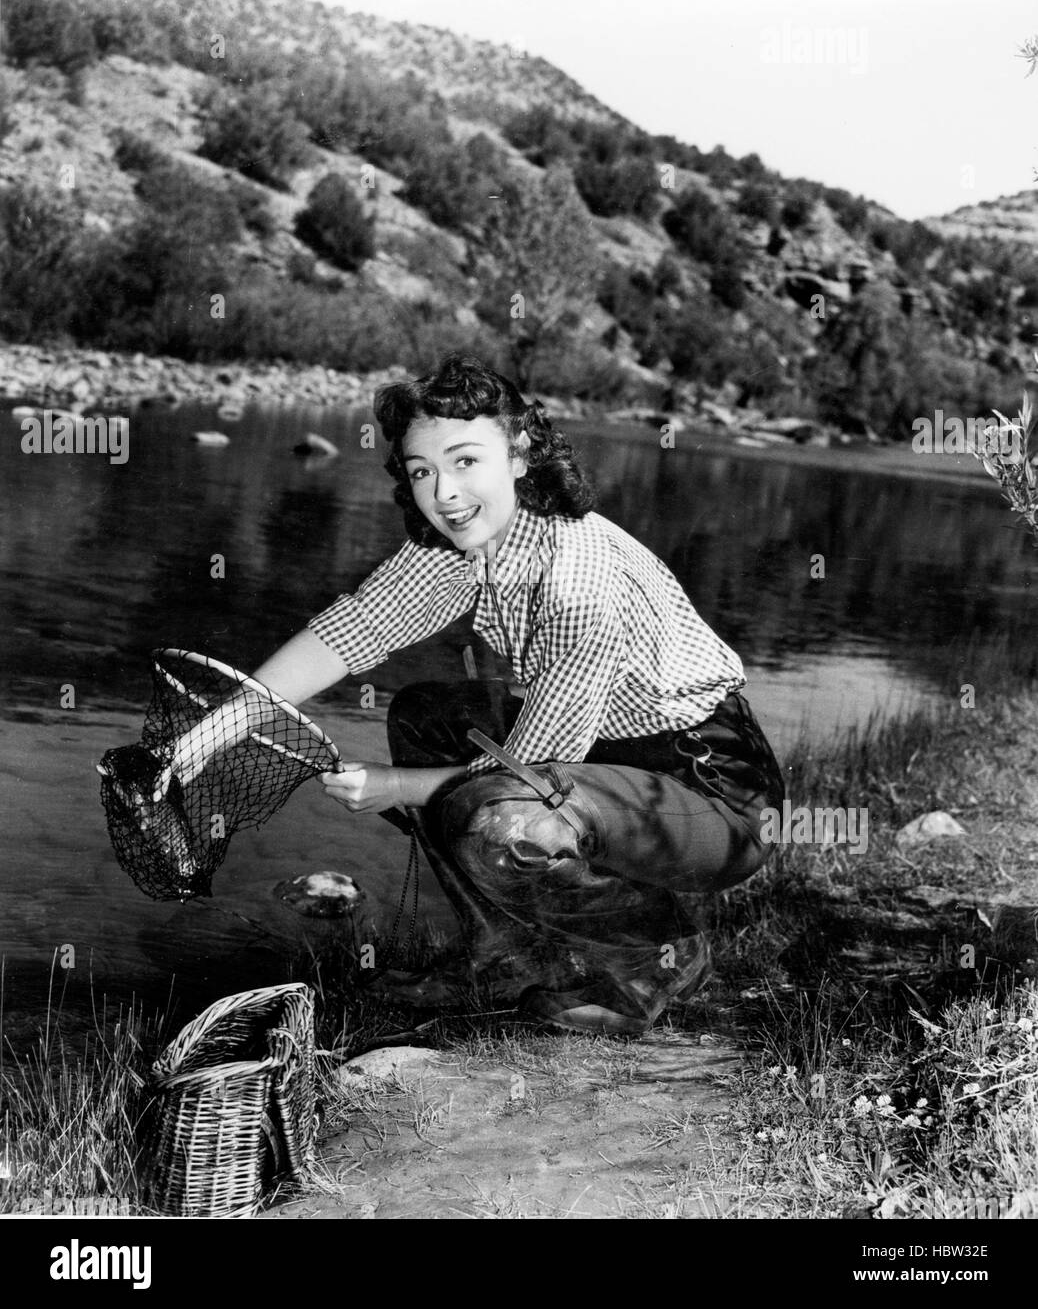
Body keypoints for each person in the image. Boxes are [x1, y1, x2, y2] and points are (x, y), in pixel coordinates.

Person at [157, 354, 785, 1037]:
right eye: (422, 471)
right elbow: (348, 632)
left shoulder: (581, 579)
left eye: (464, 461)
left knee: (506, 819)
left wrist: (396, 784)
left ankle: (655, 959)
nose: (444, 493)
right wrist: (208, 737)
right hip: (604, 763)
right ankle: (503, 955)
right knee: (425, 717)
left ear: (519, 454)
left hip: (710, 791)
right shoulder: (465, 544)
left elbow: (530, 774)